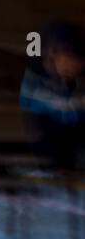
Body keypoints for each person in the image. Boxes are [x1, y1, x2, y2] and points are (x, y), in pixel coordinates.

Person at [19, 21, 85, 170]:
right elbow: (33, 120)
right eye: (65, 61)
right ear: (52, 56)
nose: (70, 67)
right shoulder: (37, 76)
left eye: (75, 62)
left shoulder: (80, 82)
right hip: (50, 134)